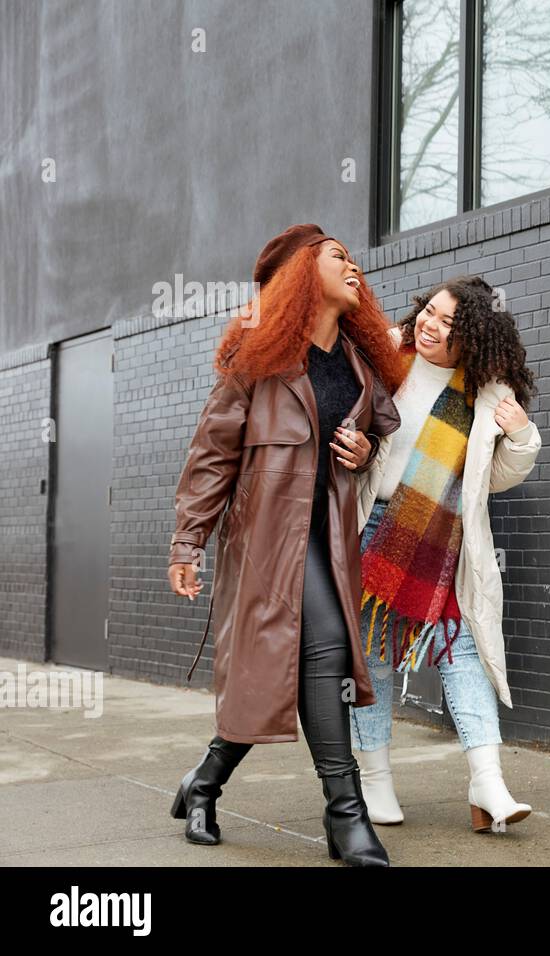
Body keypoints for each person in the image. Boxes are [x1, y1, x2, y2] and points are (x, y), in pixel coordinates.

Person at [166, 223, 408, 866]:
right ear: (303, 274)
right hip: (267, 542)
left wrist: (362, 448)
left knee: (281, 673)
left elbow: (378, 440)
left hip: (328, 539)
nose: (353, 267)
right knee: (325, 652)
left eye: (354, 259)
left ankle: (204, 782)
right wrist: (186, 543)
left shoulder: (358, 369)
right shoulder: (259, 358)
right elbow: (211, 456)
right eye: (337, 257)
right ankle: (346, 817)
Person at [350, 274, 541, 832]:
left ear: (473, 339)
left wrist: (524, 436)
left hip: (443, 537)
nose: (430, 325)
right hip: (371, 525)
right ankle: (375, 780)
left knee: (462, 652)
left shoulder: (488, 392)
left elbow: (494, 479)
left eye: (448, 323)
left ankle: (489, 783)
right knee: (375, 657)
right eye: (429, 311)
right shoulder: (385, 355)